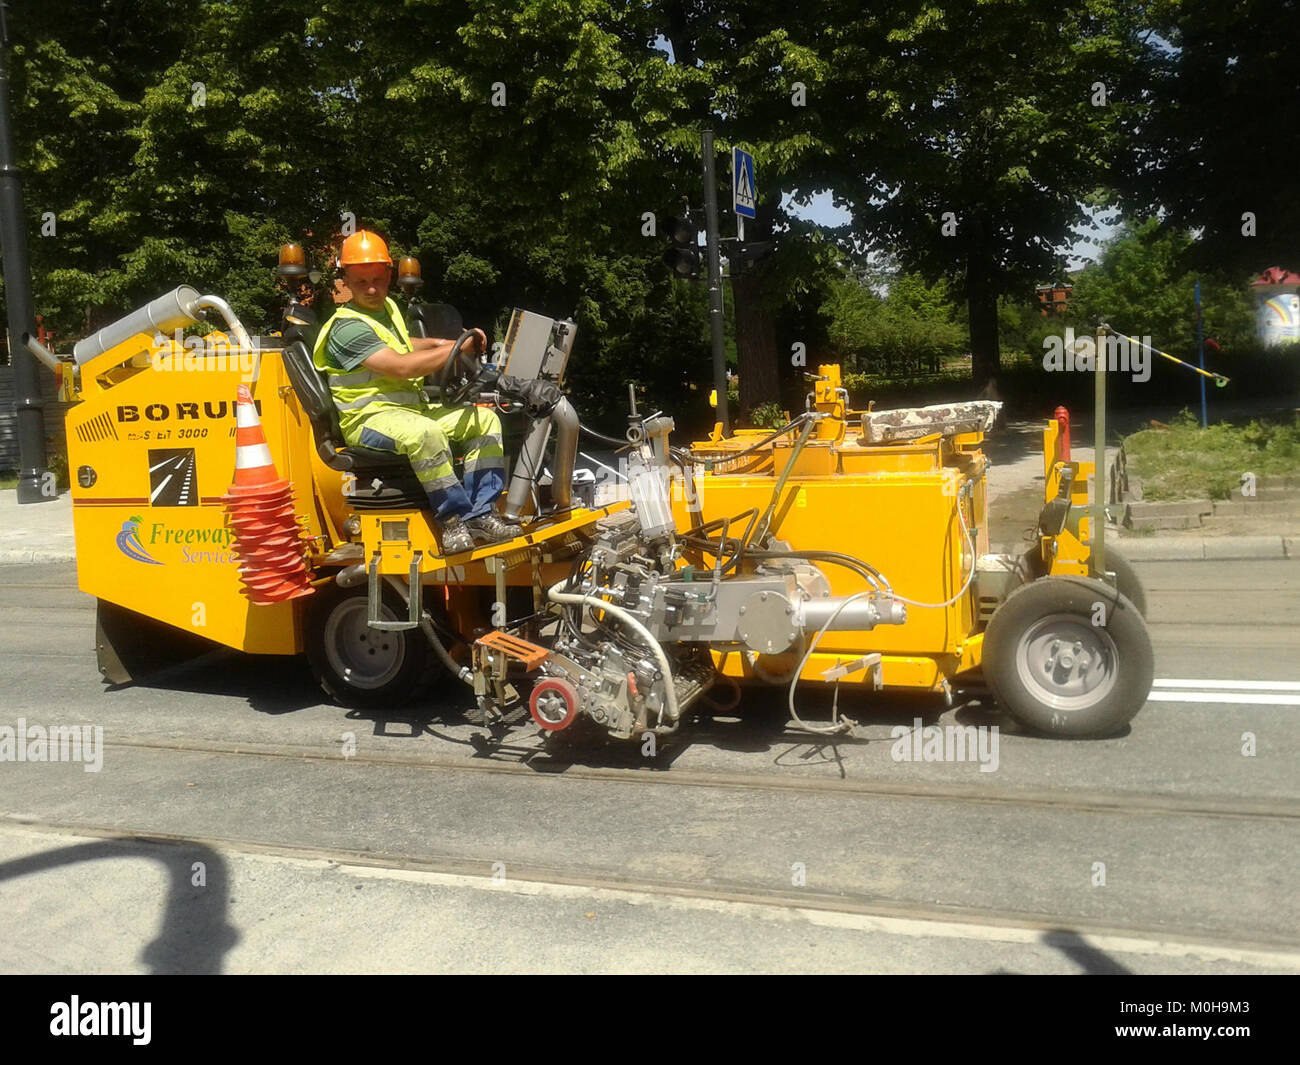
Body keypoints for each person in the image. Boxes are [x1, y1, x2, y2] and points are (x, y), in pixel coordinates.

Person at [311, 230, 519, 552]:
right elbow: (402, 366)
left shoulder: (387, 309)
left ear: (389, 275)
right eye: (361, 280)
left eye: (378, 279)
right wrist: (457, 348)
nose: (371, 288)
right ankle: (451, 521)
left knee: (486, 421)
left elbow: (403, 345)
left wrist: (442, 344)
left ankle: (480, 515)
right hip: (368, 421)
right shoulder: (346, 328)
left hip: (408, 412)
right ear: (345, 282)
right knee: (426, 434)